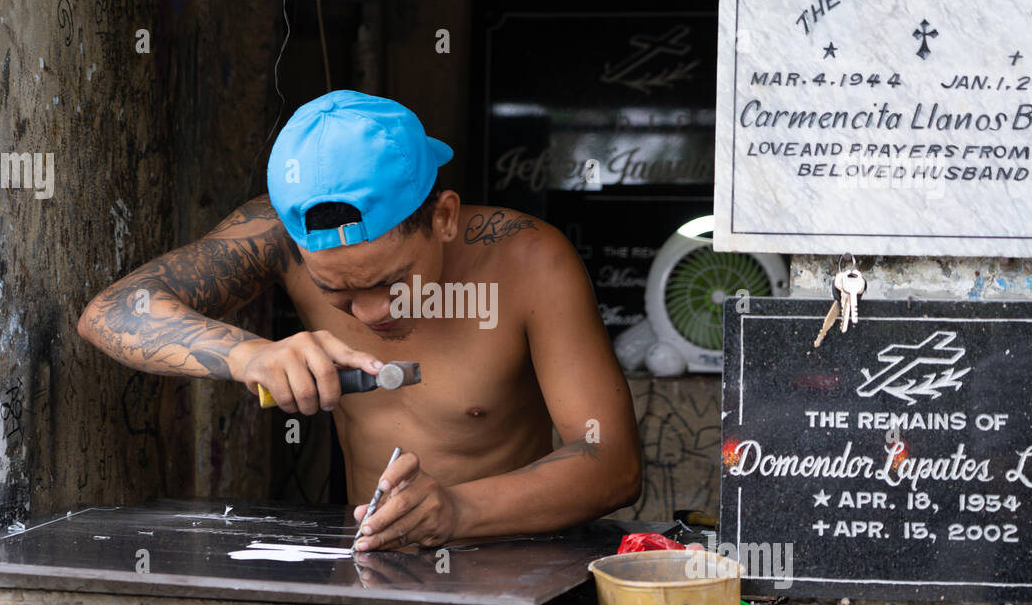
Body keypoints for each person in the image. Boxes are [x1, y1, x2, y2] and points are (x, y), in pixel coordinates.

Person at [77, 89, 641, 551]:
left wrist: (459, 509)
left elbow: (612, 463)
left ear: (442, 218)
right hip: (367, 566)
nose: (372, 314)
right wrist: (251, 355)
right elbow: (112, 312)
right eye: (336, 292)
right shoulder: (276, 235)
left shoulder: (528, 260)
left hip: (504, 559)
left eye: (393, 282)